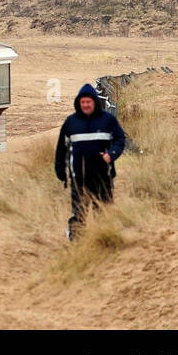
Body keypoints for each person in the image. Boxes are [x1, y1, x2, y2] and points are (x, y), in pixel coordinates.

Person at [54, 83, 126, 240]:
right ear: (79, 103)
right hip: (79, 179)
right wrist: (61, 172)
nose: (86, 105)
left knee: (104, 212)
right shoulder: (71, 123)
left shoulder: (108, 120)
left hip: (103, 178)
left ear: (94, 102)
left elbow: (120, 139)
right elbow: (61, 149)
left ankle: (105, 242)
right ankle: (76, 244)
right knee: (78, 213)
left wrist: (111, 154)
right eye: (83, 102)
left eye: (89, 102)